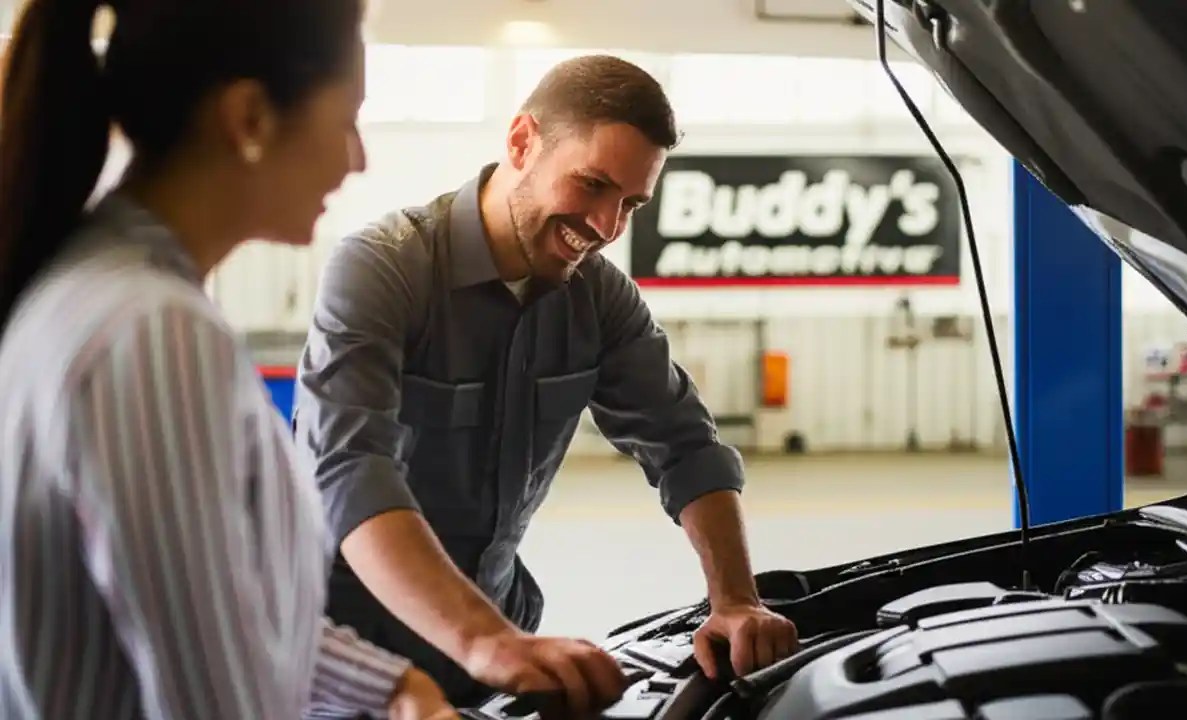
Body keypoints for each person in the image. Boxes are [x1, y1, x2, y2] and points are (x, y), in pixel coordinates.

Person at [292, 54, 801, 716]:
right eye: (591, 184)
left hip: (495, 648)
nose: (607, 227)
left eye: (631, 203)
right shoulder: (384, 269)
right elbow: (350, 470)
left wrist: (735, 600)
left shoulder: (598, 298)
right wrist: (487, 642)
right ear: (521, 142)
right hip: (340, 661)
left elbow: (684, 445)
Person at [0, 1, 457, 718]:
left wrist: (395, 685)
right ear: (250, 118)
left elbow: (214, 618)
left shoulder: (100, 285)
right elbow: (216, 699)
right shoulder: (153, 337)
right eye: (346, 119)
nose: (358, 157)